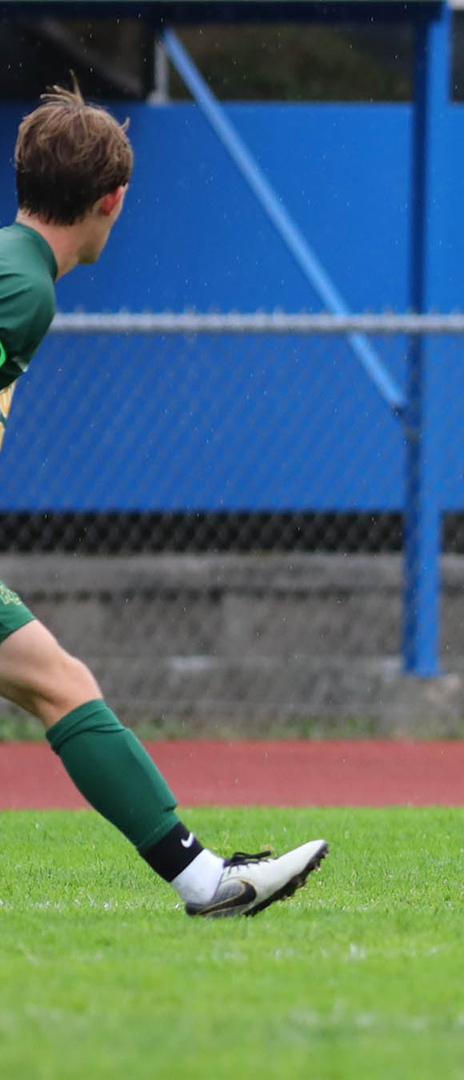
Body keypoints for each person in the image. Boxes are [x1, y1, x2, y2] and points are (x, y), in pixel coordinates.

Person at [1, 86, 328, 916]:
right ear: (111, 200)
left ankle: (206, 880)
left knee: (61, 683)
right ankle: (207, 883)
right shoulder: (23, 286)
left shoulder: (17, 268)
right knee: (61, 687)